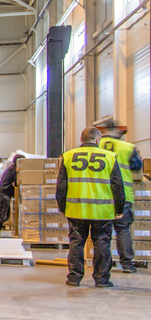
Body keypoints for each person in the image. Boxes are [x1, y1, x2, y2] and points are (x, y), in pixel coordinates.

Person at [56, 127, 126, 288]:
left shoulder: (68, 156)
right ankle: (101, 279)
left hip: (76, 209)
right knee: (102, 243)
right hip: (101, 210)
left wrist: (61, 206)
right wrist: (119, 209)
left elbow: (61, 186)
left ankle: (74, 277)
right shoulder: (109, 157)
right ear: (97, 140)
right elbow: (117, 185)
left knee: (76, 242)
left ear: (81, 140)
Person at [96, 116, 144, 274]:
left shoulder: (96, 145)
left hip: (101, 196)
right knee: (123, 230)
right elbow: (137, 167)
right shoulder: (128, 147)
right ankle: (127, 264)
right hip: (123, 195)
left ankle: (104, 265)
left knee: (102, 232)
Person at [0, 154, 25, 243]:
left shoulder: (13, 169)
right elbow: (16, 183)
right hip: (3, 196)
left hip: (3, 195)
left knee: (5, 217)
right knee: (2, 217)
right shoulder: (13, 171)